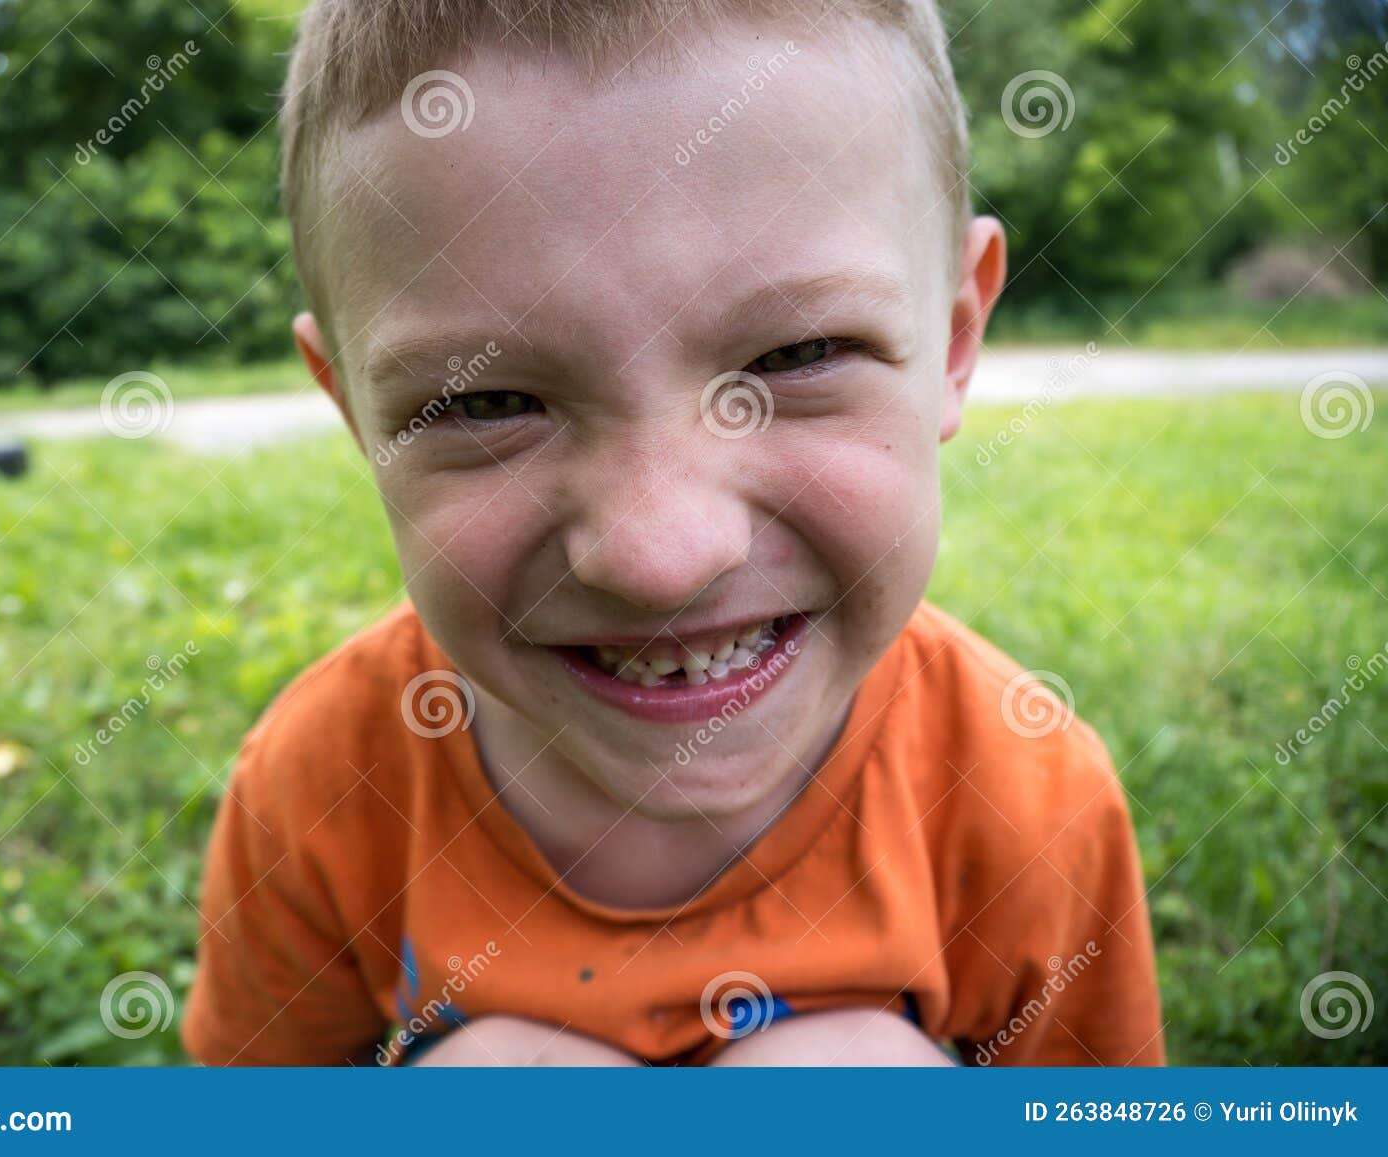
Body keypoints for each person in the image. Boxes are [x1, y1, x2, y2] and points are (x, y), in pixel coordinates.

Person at [183, 0, 1163, 1067]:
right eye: (484, 402)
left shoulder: (1026, 796)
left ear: (954, 342)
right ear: (353, 416)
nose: (660, 557)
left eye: (795, 356)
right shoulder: (324, 780)